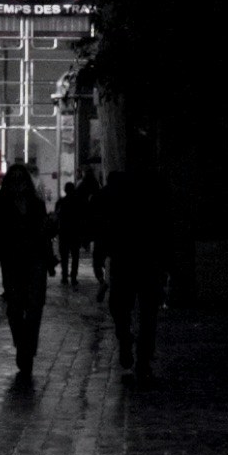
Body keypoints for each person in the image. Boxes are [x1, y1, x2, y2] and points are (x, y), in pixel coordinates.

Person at [98, 141, 173, 382]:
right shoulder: (156, 188)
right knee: (143, 311)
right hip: (141, 257)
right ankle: (137, 352)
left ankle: (134, 349)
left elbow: (103, 222)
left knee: (127, 307)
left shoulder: (120, 188)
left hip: (130, 257)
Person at [0, 158, 51, 380]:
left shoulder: (36, 204)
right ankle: (22, 344)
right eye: (13, 180)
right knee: (15, 308)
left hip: (34, 262)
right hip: (12, 262)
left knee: (34, 308)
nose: (18, 184)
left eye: (20, 179)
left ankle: (27, 349)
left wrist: (49, 258)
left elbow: (43, 234)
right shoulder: (0, 204)